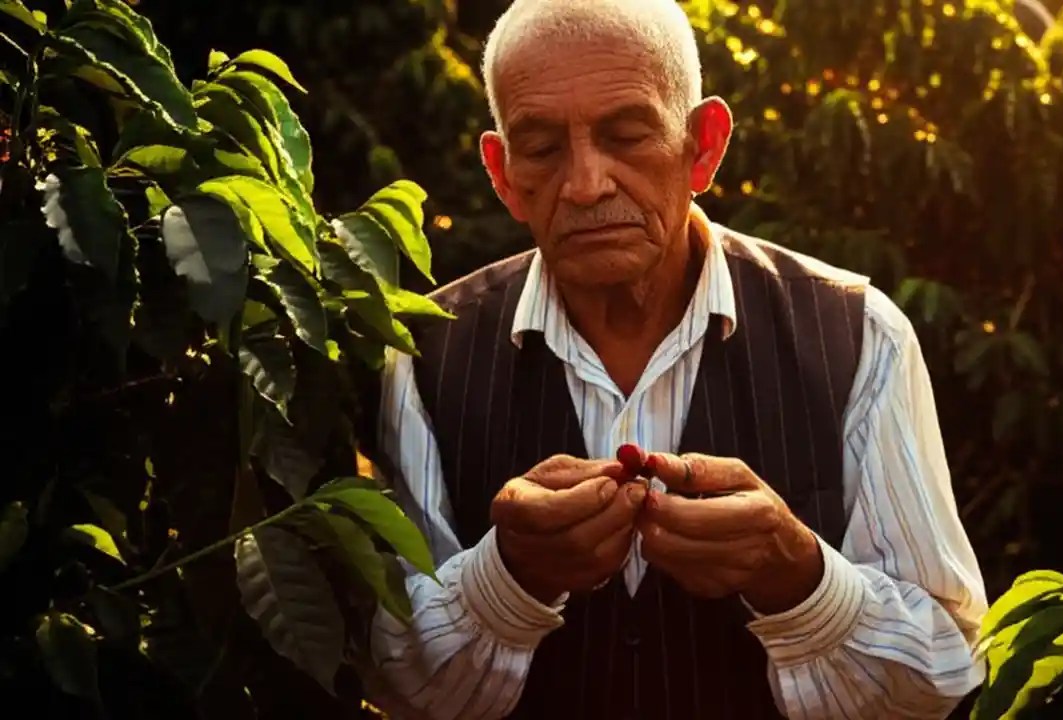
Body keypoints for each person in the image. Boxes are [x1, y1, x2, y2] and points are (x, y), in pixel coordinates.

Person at [363, 1, 988, 717]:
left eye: (627, 136)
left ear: (704, 146)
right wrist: (507, 579)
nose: (587, 184)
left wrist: (801, 579)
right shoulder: (423, 356)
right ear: (503, 175)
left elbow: (944, 665)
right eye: (542, 149)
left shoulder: (858, 335)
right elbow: (393, 678)